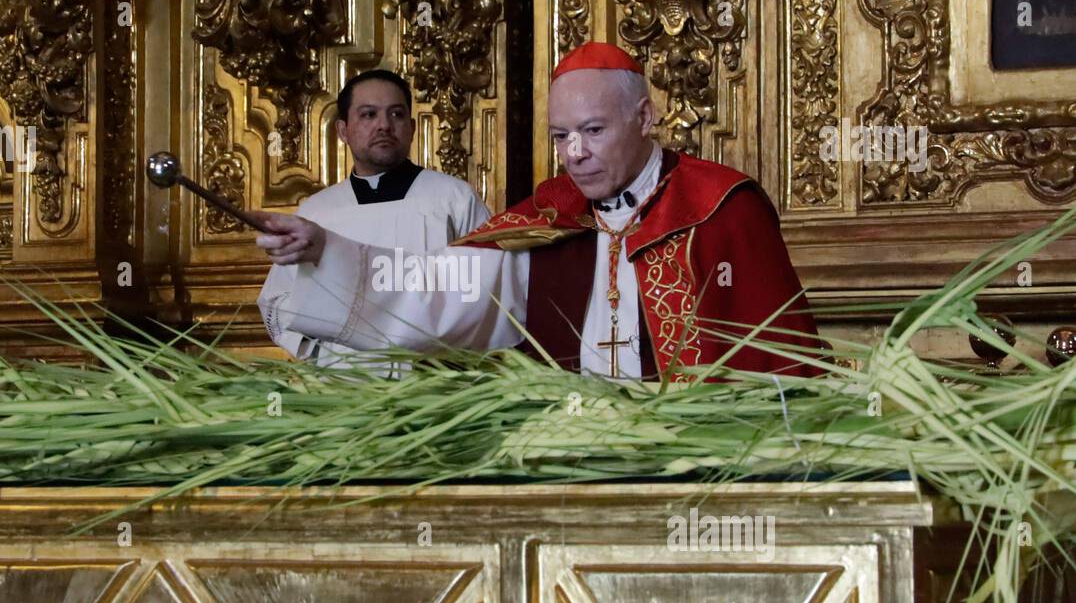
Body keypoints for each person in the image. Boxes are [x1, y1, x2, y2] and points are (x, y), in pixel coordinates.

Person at [254, 43, 821, 380]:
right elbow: (442, 287)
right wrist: (327, 250)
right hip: (573, 450)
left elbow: (783, 359)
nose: (576, 154)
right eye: (561, 136)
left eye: (593, 131)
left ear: (645, 117)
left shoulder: (720, 205)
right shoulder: (552, 213)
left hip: (695, 457)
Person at [258, 68, 490, 364]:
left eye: (396, 115)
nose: (384, 125)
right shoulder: (315, 212)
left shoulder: (454, 199)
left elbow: (488, 287)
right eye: (368, 115)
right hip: (342, 383)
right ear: (343, 130)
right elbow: (276, 301)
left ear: (412, 127)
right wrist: (324, 355)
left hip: (434, 380)